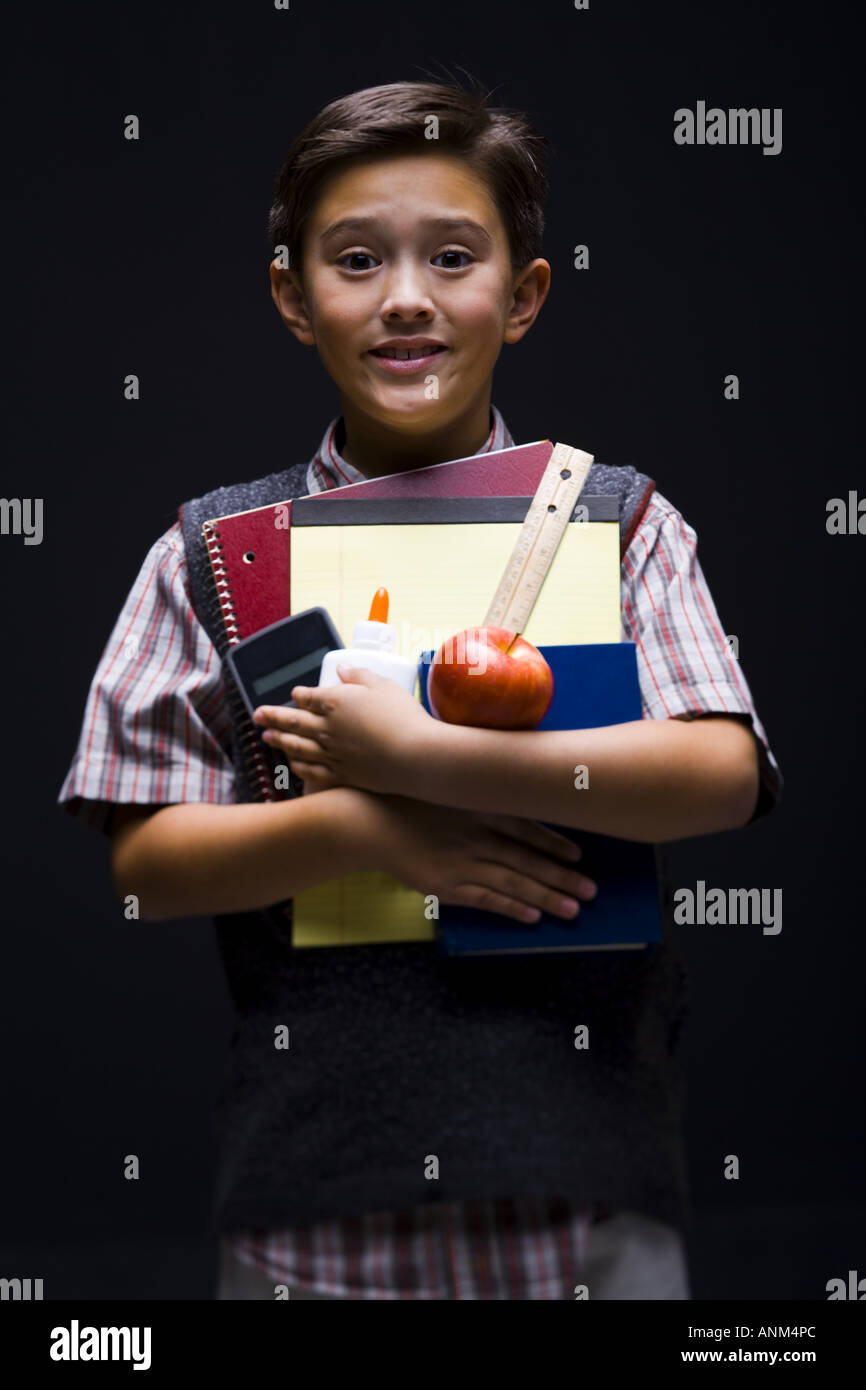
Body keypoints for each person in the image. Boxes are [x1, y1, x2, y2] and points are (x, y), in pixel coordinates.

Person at [57, 79, 782, 1300]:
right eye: (354, 260)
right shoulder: (214, 554)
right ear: (293, 297)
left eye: (453, 256)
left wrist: (420, 758)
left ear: (524, 294)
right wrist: (373, 828)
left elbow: (719, 776)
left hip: (587, 1181)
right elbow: (145, 863)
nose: (405, 297)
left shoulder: (625, 523)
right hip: (317, 1189)